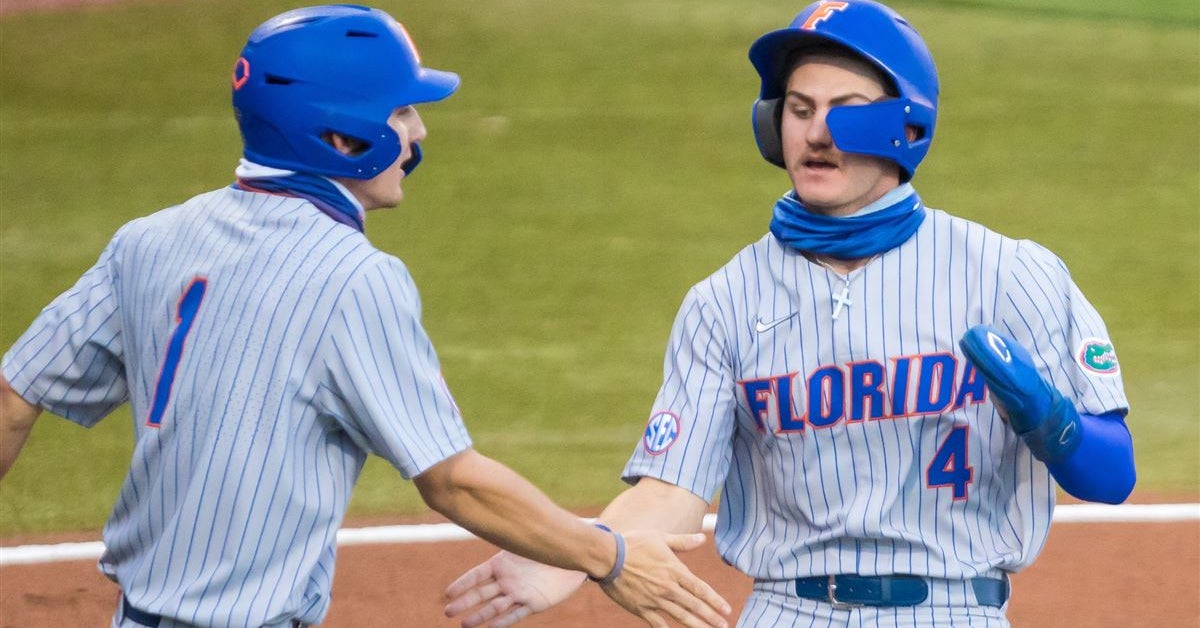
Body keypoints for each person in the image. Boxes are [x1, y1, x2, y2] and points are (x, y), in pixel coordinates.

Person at [0, 6, 733, 628]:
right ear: (342, 137)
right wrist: (609, 557)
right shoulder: (355, 280)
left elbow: (12, 402)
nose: (416, 134)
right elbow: (453, 480)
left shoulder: (148, 241)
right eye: (402, 112)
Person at [442, 1, 1137, 626]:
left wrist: (1049, 420)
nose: (817, 132)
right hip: (787, 612)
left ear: (906, 124)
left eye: (846, 108)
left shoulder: (1011, 274)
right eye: (799, 109)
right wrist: (570, 555)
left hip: (955, 611)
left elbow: (1111, 476)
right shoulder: (725, 301)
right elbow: (673, 493)